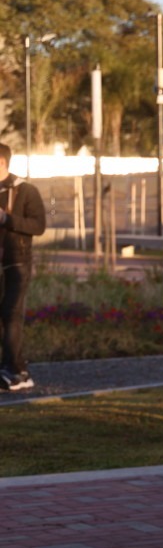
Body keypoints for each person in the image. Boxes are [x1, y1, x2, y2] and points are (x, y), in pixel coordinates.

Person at [0, 142, 46, 392]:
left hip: (17, 261)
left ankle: (17, 370)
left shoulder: (26, 191)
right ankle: (9, 367)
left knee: (11, 314)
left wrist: (7, 219)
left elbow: (38, 226)